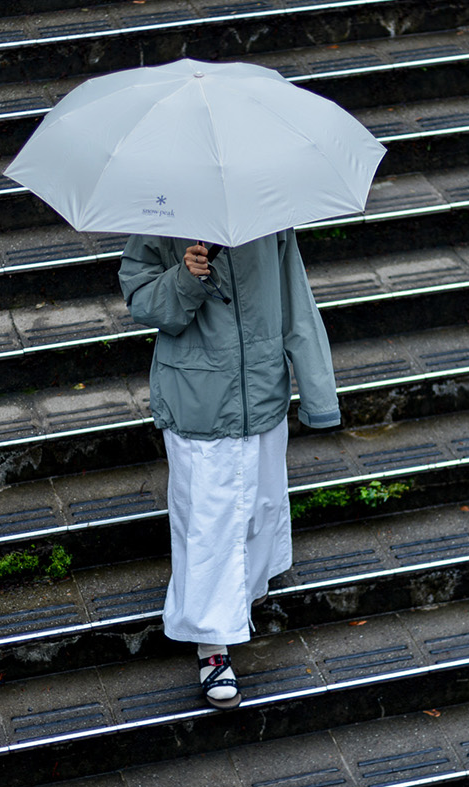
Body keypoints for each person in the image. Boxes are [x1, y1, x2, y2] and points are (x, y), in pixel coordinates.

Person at [119, 231, 340, 709]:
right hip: (197, 400)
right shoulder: (160, 220)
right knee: (208, 521)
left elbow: (295, 302)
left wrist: (319, 393)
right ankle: (211, 642)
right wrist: (186, 276)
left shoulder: (266, 217)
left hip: (262, 391)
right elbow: (143, 304)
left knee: (260, 500)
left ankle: (247, 589)